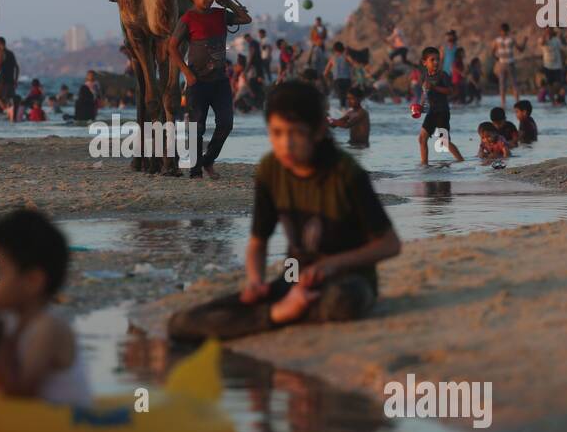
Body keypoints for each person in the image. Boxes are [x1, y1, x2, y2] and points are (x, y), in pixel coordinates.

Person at [167, 81, 401, 343]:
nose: (286, 144)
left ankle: (278, 314)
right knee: (181, 323)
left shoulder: (346, 173)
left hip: (347, 280)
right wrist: (256, 282)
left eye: (296, 133)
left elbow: (390, 244)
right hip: (293, 277)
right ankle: (281, 312)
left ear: (319, 130)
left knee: (339, 303)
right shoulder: (271, 169)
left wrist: (331, 264)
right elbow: (258, 242)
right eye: (276, 133)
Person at [0, 209, 91, 405]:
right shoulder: (13, 323)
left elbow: (21, 394)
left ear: (33, 281)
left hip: (66, 430)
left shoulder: (47, 329)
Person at [169, 0, 252, 179]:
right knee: (197, 128)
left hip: (220, 82)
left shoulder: (220, 14)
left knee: (226, 123)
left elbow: (245, 18)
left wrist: (227, 2)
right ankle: (196, 171)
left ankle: (208, 161)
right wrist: (187, 73)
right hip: (197, 82)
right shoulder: (187, 19)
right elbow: (172, 47)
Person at [416, 47, 464, 165]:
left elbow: (450, 91)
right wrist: (420, 107)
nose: (436, 62)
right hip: (431, 112)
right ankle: (424, 165)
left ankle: (461, 161)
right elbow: (424, 94)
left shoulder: (443, 75)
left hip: (442, 112)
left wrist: (434, 87)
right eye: (432, 60)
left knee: (444, 141)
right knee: (422, 139)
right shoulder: (423, 76)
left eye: (438, 59)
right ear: (424, 62)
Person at [491, 22, 526, 106]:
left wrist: (498, 59)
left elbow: (492, 53)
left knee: (504, 84)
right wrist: (524, 42)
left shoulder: (498, 40)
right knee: (512, 84)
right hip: (508, 63)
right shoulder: (510, 39)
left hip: (504, 63)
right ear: (508, 30)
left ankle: (504, 103)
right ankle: (515, 102)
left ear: (500, 31)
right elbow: (521, 49)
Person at [0, 37, 20, 115]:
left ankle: (7, 111)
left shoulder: (0, 52)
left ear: (0, 44)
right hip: (11, 80)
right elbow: (17, 68)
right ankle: (11, 112)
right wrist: (16, 80)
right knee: (8, 98)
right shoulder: (11, 53)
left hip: (3, 80)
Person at [324, 41, 353, 107]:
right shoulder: (346, 57)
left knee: (341, 98)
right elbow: (353, 65)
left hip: (337, 81)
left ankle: (342, 111)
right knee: (346, 97)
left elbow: (325, 72)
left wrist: (327, 80)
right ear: (342, 49)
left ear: (334, 49)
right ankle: (348, 112)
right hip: (347, 80)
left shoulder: (332, 58)